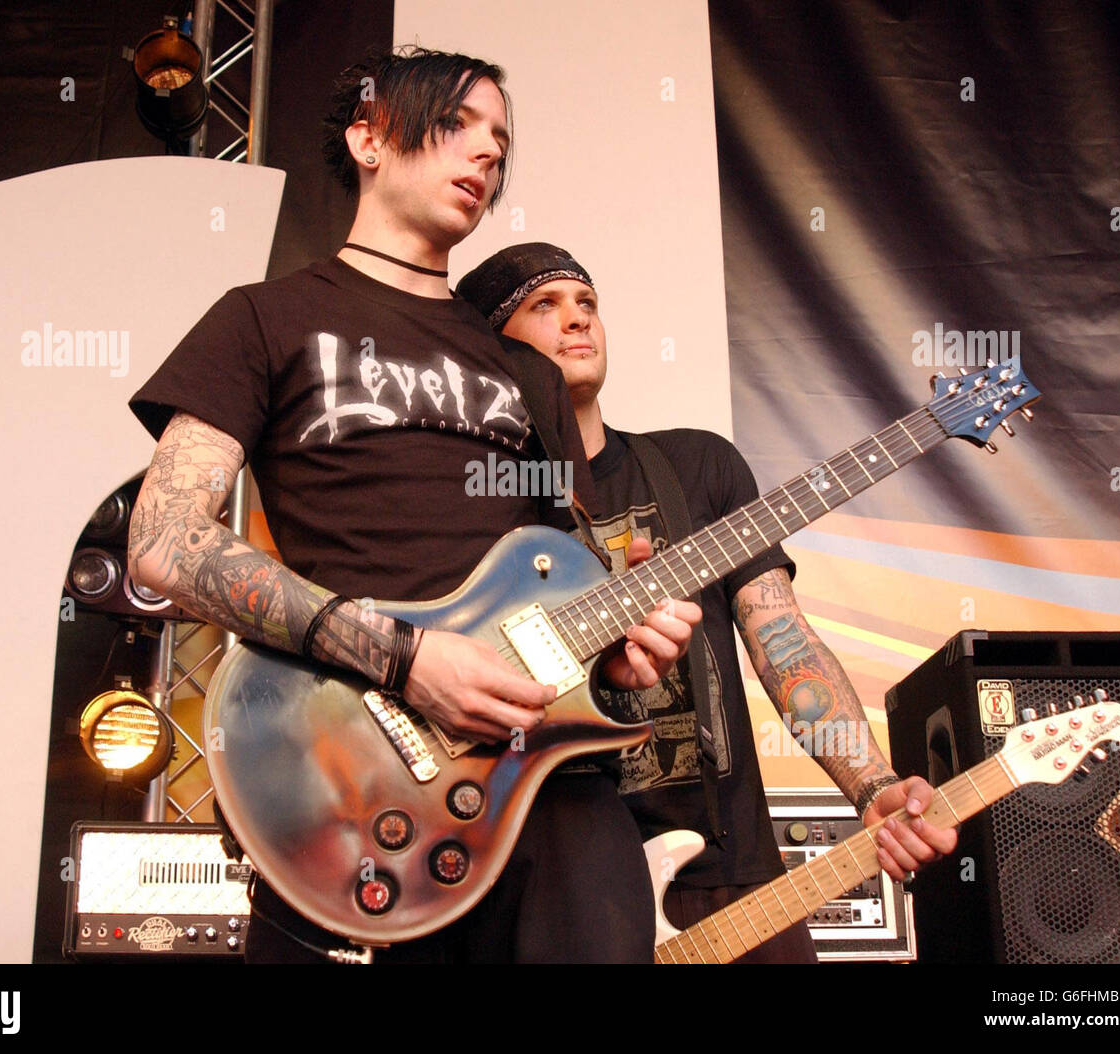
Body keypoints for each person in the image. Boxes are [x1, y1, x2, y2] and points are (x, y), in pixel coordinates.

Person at [125, 51, 698, 963]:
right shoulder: (264, 320)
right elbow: (163, 544)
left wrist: (614, 655)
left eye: (500, 142)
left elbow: (556, 568)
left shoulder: (529, 373)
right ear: (369, 139)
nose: (486, 156)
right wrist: (403, 658)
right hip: (351, 774)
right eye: (456, 126)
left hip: (550, 793)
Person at [457, 243, 958, 962]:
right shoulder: (474, 502)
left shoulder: (697, 467)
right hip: (551, 887)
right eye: (544, 306)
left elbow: (783, 641)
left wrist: (871, 782)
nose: (578, 321)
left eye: (587, 303)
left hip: (728, 876)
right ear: (494, 344)